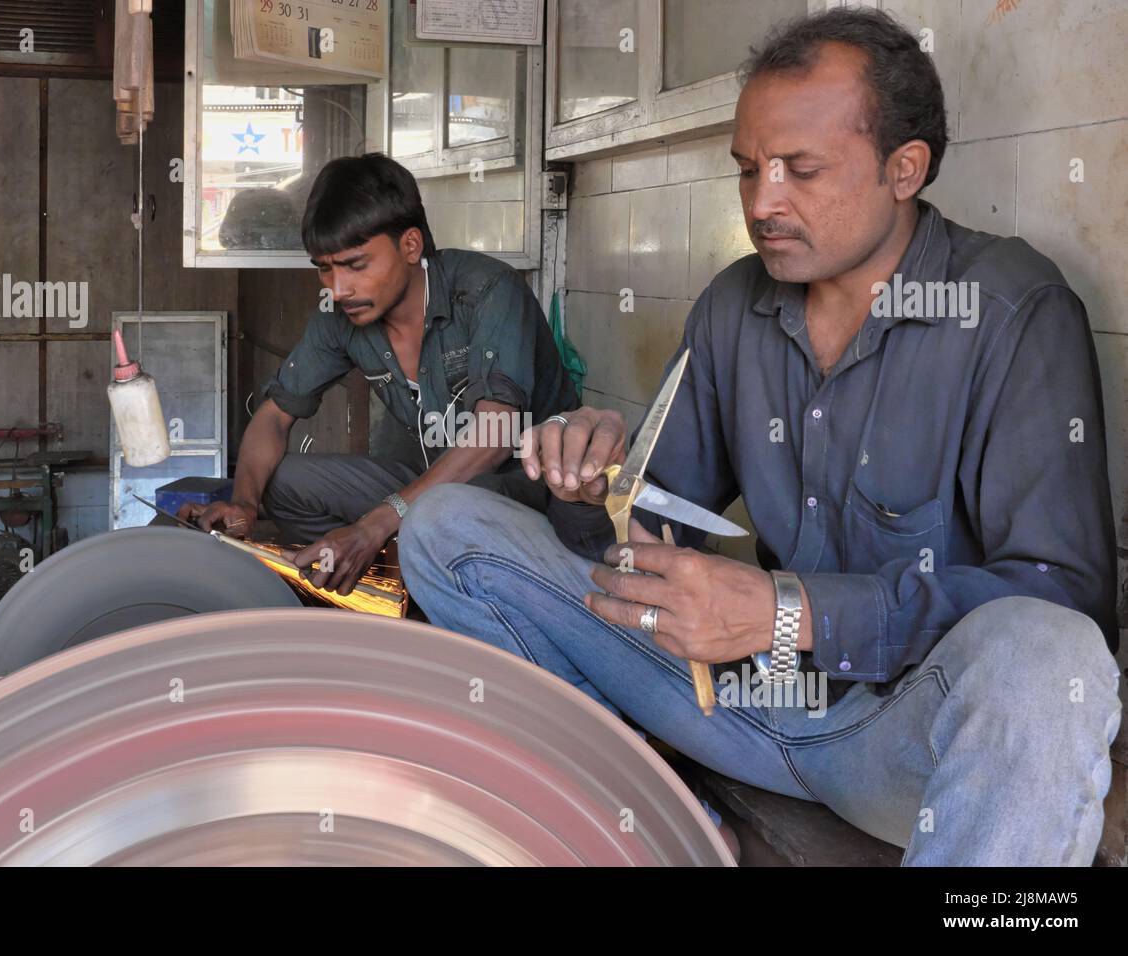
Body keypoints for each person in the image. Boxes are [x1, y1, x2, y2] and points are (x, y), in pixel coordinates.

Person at [397, 7, 1122, 865]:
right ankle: (630, 807)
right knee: (445, 528)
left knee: (1045, 655)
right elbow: (647, 540)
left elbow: (1064, 595)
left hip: (901, 746)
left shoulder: (1011, 313)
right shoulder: (737, 304)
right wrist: (596, 484)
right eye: (748, 171)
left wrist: (790, 614)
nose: (764, 203)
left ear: (905, 169)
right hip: (724, 697)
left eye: (801, 171)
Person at [182, 153, 583, 595]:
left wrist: (375, 524)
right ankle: (380, 588)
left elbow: (494, 433)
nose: (338, 288)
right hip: (431, 492)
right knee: (284, 481)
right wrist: (244, 502)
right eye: (324, 267)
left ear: (410, 246)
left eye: (356, 265)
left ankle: (429, 580)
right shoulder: (341, 317)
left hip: (535, 495)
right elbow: (274, 416)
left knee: (435, 511)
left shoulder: (488, 291)